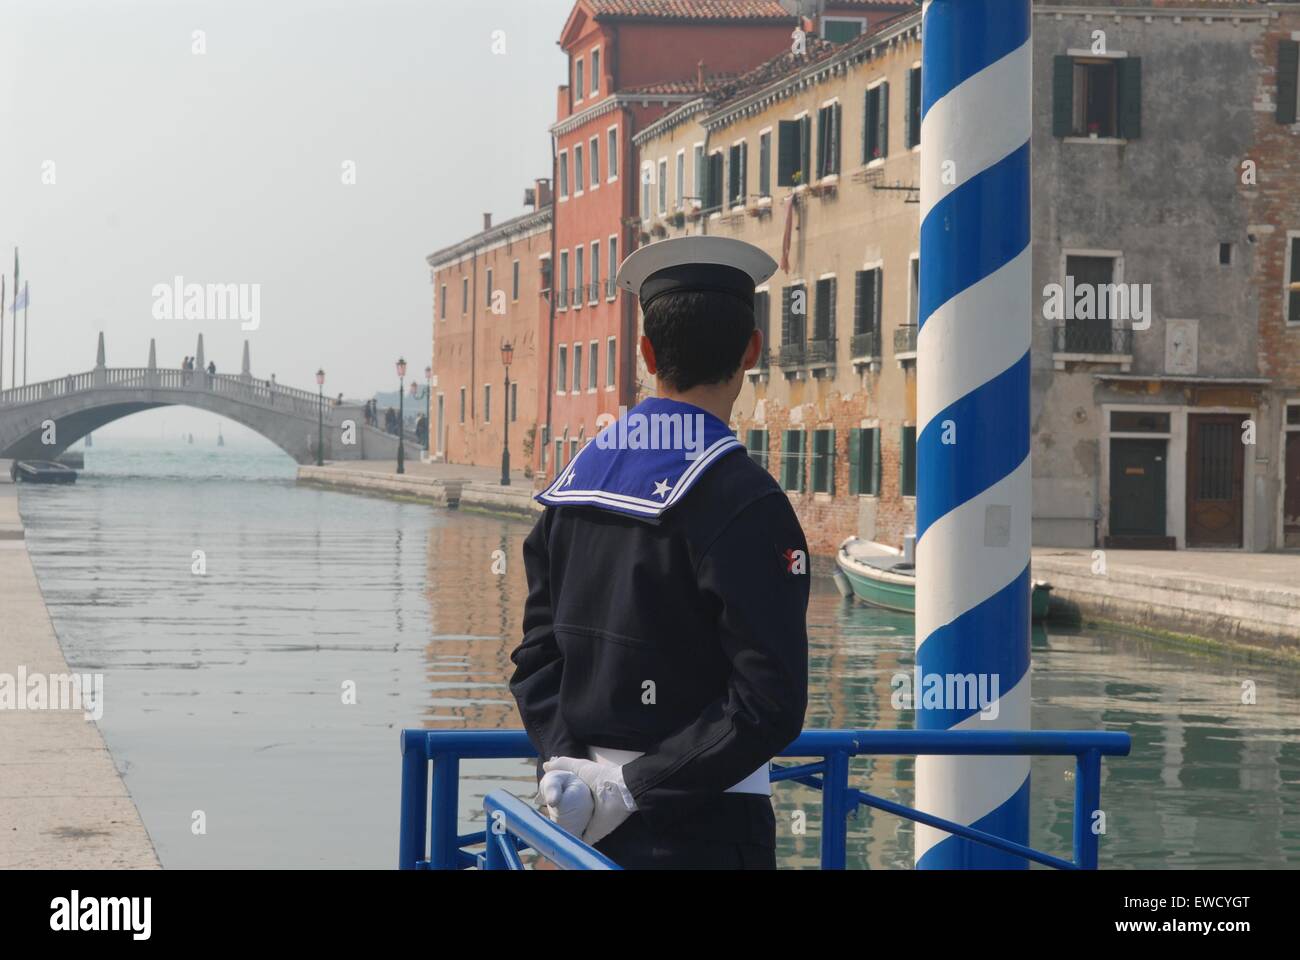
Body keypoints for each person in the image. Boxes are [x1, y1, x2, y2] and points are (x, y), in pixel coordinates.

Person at [509, 236, 809, 870]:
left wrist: (574, 774)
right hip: (703, 834)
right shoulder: (747, 500)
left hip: (573, 828)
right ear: (751, 351)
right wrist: (631, 790)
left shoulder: (571, 487)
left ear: (645, 353)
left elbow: (536, 661)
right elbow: (769, 705)